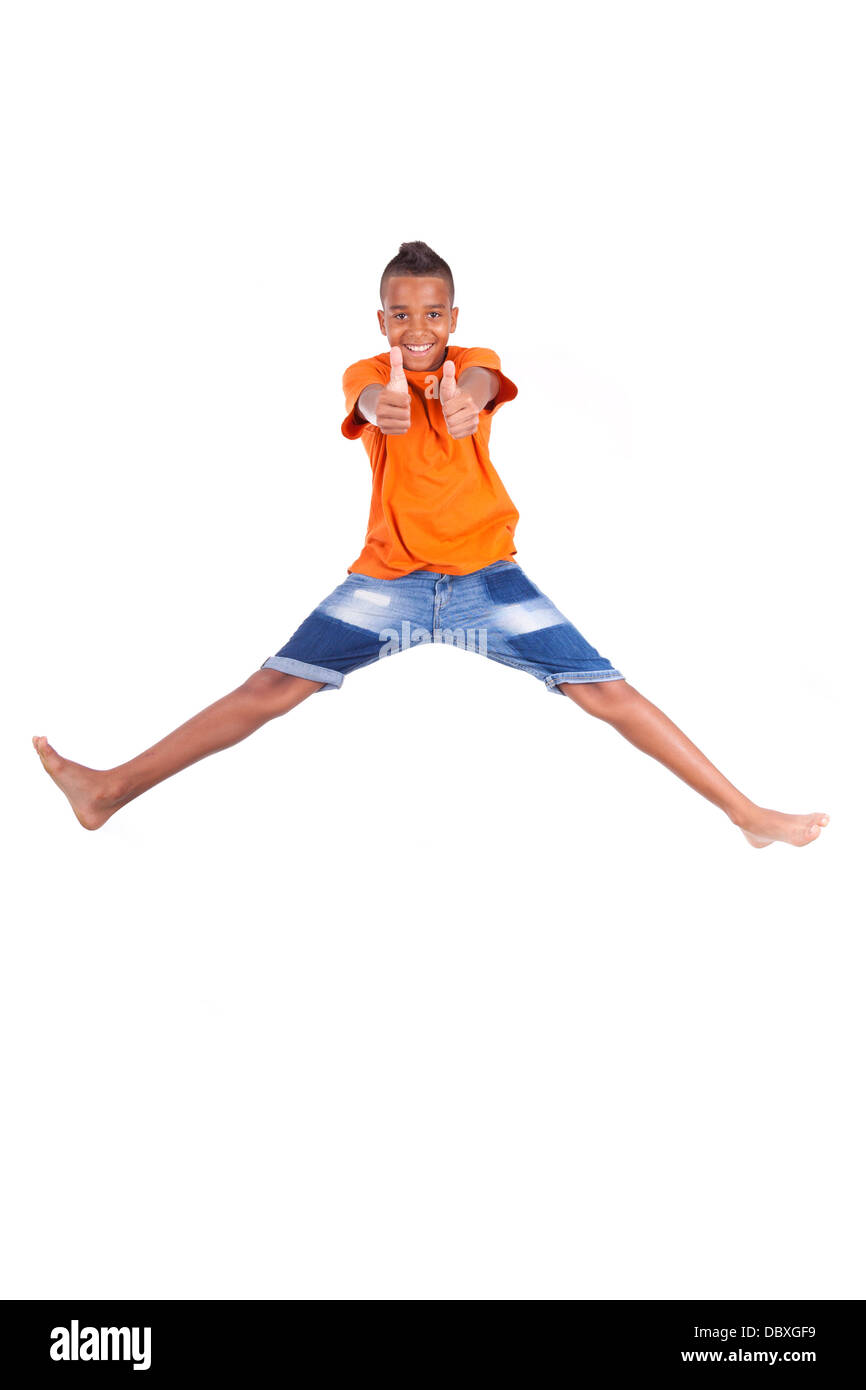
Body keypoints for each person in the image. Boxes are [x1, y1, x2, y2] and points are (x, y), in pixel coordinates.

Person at [33, 240, 829, 848]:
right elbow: (368, 398)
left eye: (433, 314)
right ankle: (108, 792)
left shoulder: (475, 365)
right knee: (267, 692)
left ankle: (745, 813)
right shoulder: (365, 375)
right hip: (390, 585)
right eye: (402, 315)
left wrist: (466, 406)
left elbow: (479, 388)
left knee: (609, 694)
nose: (418, 329)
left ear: (453, 319)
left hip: (488, 580)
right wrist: (386, 402)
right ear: (382, 322)